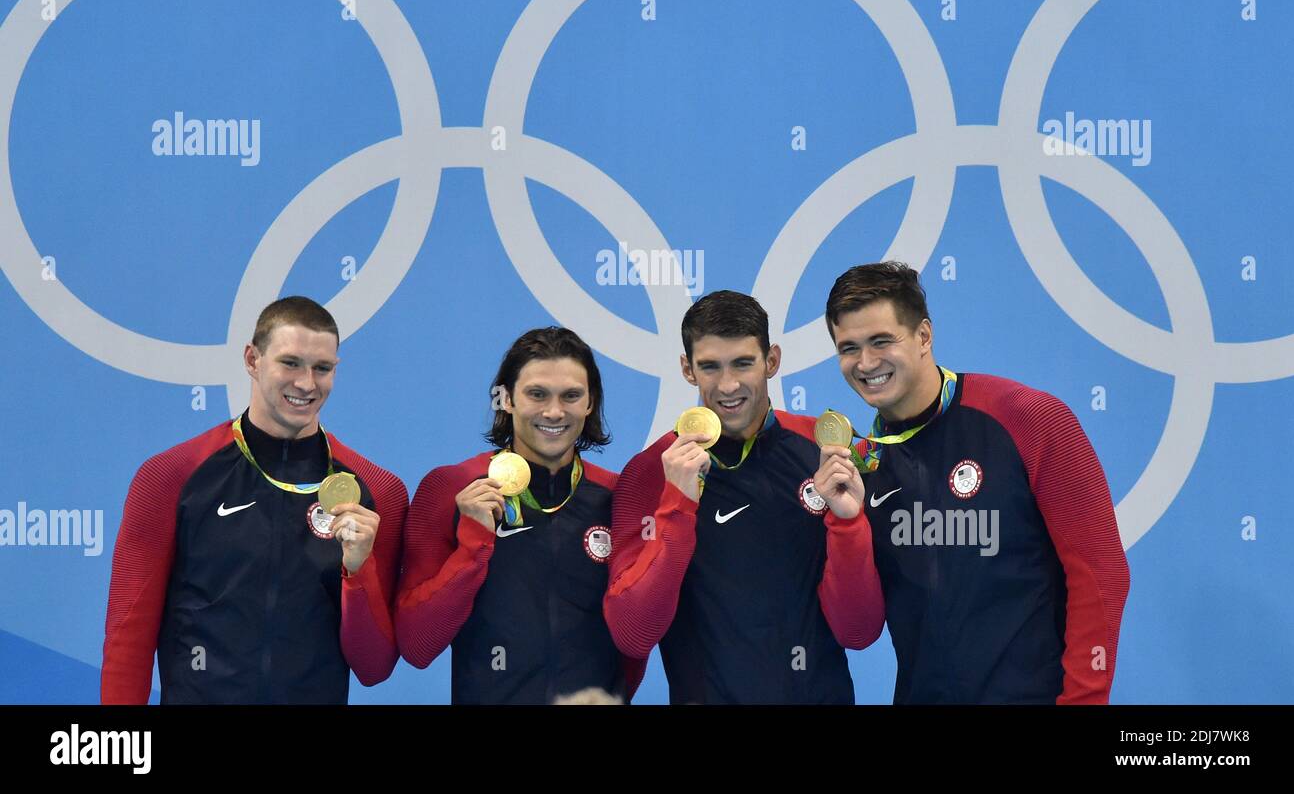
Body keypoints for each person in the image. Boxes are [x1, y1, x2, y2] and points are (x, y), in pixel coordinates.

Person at [823, 261, 1130, 703]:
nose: (866, 363)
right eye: (849, 347)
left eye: (881, 341)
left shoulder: (1030, 419)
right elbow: (858, 630)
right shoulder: (862, 464)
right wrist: (848, 524)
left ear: (924, 336)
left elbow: (1102, 574)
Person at [101, 296, 408, 704]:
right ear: (252, 359)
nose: (306, 384)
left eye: (323, 368)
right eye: (290, 363)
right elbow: (128, 638)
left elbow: (374, 667)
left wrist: (358, 571)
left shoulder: (375, 491)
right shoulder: (170, 477)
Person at [604, 290, 884, 704]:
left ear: (772, 361)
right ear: (687, 369)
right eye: (710, 367)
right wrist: (677, 506)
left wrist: (848, 523)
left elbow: (859, 632)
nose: (728, 385)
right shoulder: (649, 473)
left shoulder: (830, 454)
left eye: (743, 364)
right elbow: (633, 634)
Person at [396, 327, 643, 703]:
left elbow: (634, 640)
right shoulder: (450, 488)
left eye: (571, 396)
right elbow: (416, 645)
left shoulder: (619, 495)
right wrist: (471, 549)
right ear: (507, 398)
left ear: (590, 402)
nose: (554, 411)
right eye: (537, 394)